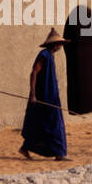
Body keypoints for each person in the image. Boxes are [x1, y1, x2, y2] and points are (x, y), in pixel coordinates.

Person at [19, 28, 68, 160]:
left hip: (52, 97)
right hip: (43, 97)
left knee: (51, 125)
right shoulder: (44, 55)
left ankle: (58, 153)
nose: (61, 46)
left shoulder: (50, 56)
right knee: (48, 125)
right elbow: (34, 72)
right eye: (60, 43)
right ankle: (57, 154)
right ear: (54, 44)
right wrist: (33, 94)